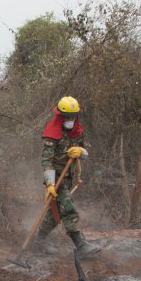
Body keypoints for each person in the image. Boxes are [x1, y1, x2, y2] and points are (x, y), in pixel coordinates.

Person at [32, 97, 101, 258]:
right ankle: (81, 245)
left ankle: (38, 243)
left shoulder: (78, 132)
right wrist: (50, 184)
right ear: (60, 116)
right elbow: (46, 161)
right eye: (67, 117)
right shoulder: (52, 134)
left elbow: (84, 151)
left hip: (69, 177)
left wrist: (80, 152)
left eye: (73, 117)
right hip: (56, 179)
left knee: (54, 215)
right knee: (68, 208)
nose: (70, 120)